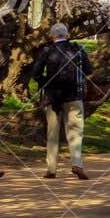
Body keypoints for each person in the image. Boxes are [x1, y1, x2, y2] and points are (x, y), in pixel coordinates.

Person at [28, 23, 92, 180]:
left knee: (52, 133)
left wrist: (46, 82)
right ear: (67, 35)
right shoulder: (78, 49)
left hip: (52, 96)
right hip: (74, 95)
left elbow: (35, 73)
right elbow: (89, 70)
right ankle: (77, 164)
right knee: (75, 131)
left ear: (52, 36)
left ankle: (51, 169)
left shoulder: (47, 51)